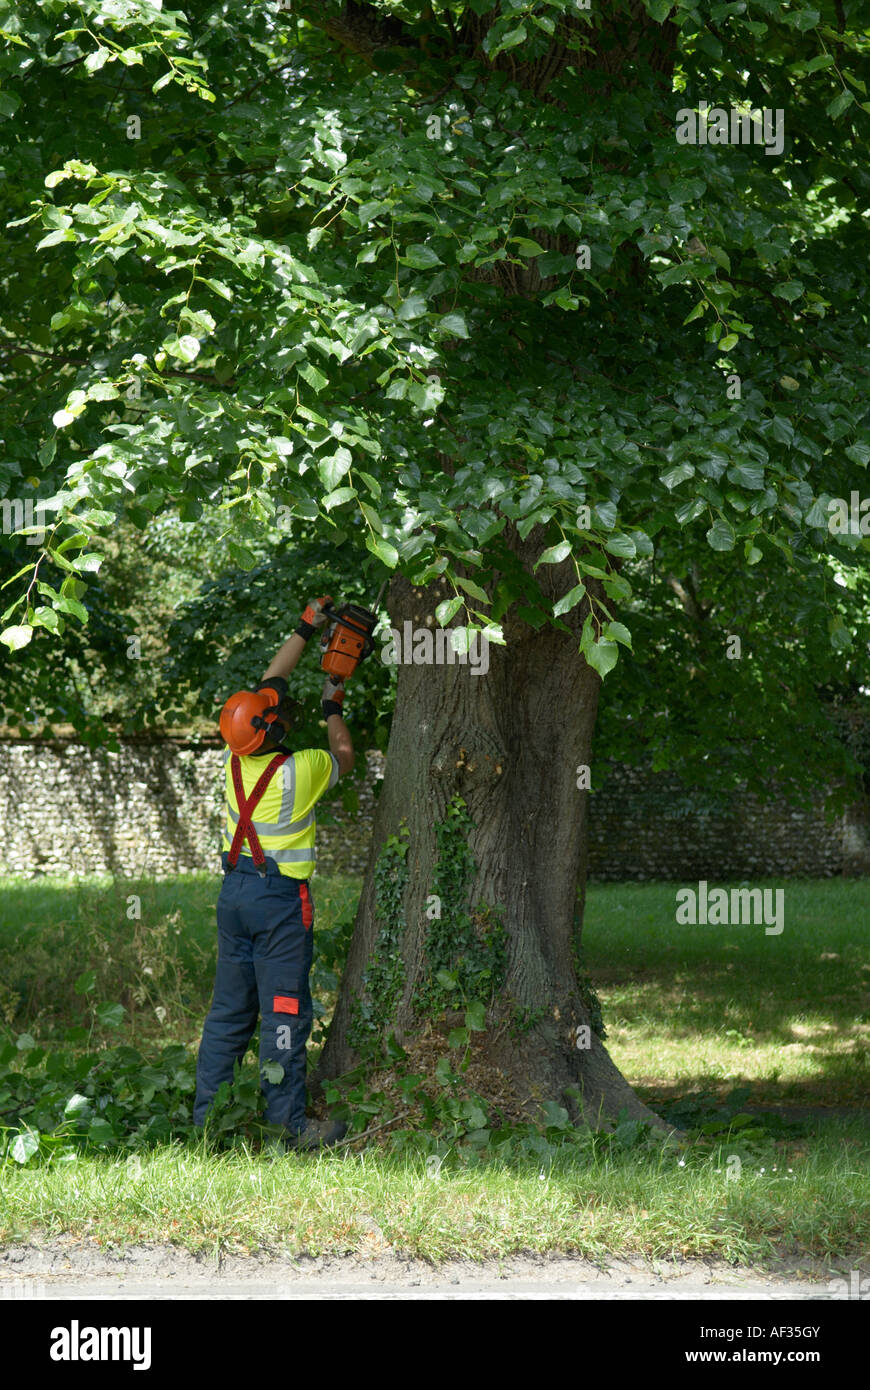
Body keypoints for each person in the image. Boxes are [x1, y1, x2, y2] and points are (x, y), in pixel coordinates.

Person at [193, 596, 354, 1150]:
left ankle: (208, 1121)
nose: (282, 703)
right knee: (284, 1008)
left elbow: (270, 682)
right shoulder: (302, 769)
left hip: (233, 893)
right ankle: (290, 1126)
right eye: (277, 709)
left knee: (229, 1013)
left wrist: (305, 627)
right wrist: (334, 706)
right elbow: (346, 754)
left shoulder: (234, 755)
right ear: (273, 728)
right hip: (280, 901)